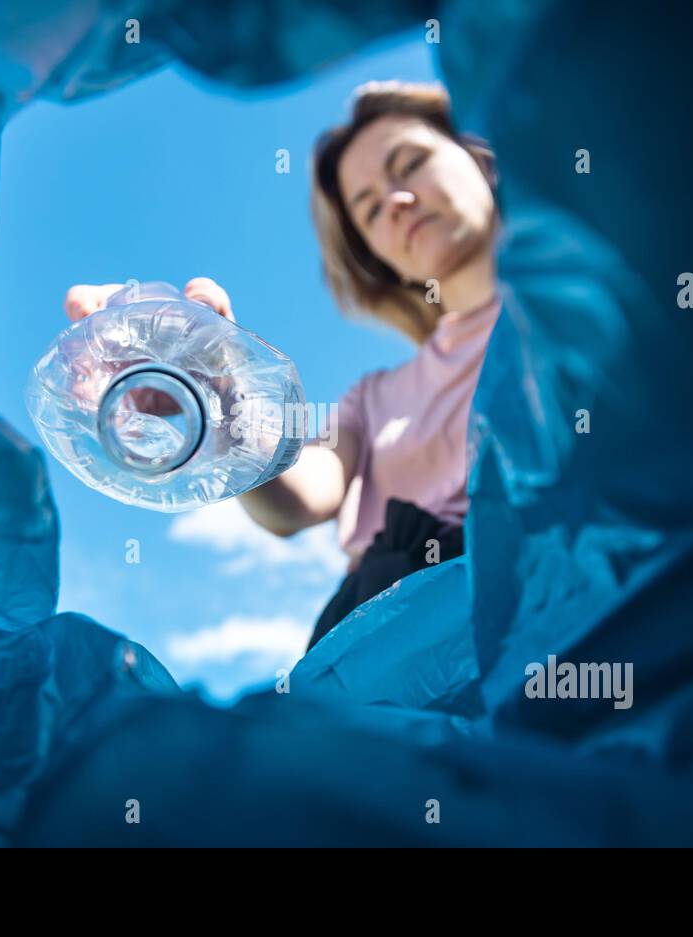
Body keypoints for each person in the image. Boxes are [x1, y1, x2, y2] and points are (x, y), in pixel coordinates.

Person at [64, 81, 503, 651]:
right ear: (378, 258)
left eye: (411, 163)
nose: (395, 202)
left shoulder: (610, 299)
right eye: (368, 209)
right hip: (393, 645)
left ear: (482, 159)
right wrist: (222, 404)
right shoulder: (374, 397)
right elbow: (297, 501)